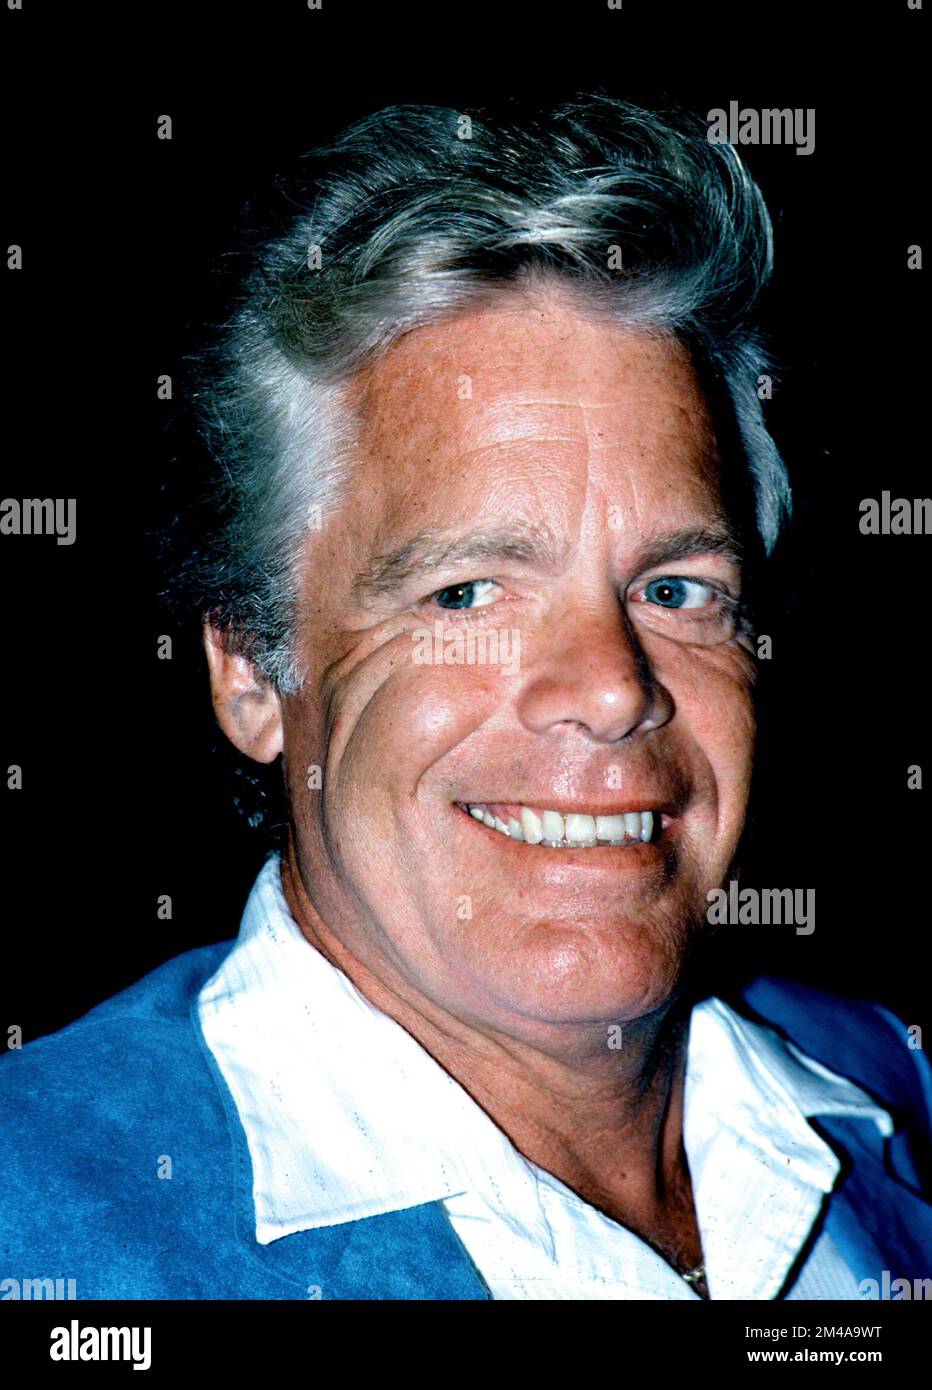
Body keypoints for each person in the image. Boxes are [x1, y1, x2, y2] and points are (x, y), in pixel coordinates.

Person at [2, 97, 929, 1301]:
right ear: (251, 669)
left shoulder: (880, 1086)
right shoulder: (45, 1225)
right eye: (465, 592)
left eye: (672, 587)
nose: (607, 689)